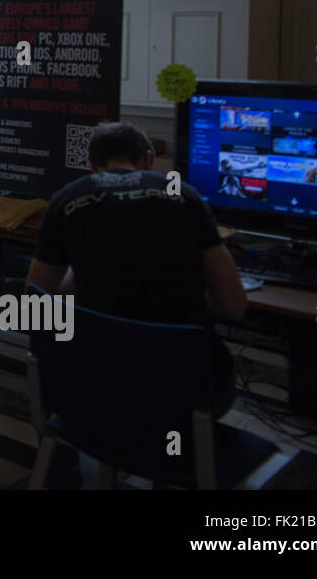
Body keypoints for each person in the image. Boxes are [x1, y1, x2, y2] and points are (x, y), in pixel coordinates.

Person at [25, 122, 248, 416]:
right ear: (147, 159)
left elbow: (35, 304)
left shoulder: (65, 200)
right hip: (188, 390)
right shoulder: (185, 196)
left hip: (95, 385)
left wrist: (83, 273)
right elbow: (234, 306)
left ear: (92, 165)